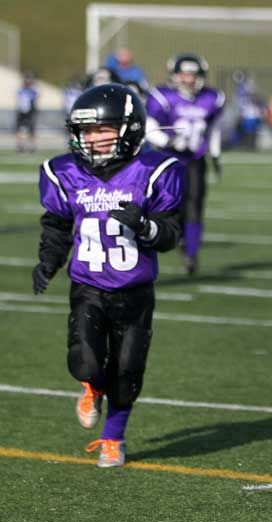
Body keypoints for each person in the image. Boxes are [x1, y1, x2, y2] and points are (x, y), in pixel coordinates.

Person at [32, 83, 184, 467]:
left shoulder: (153, 170)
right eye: (87, 131)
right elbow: (57, 224)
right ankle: (91, 386)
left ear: (129, 129)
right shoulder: (64, 172)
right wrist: (49, 262)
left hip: (135, 289)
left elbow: (169, 234)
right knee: (84, 360)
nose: (94, 139)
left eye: (104, 129)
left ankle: (113, 439)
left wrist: (146, 226)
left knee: (128, 370)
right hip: (88, 286)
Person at [145, 53, 225, 275]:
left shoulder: (212, 98)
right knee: (169, 206)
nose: (188, 79)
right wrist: (170, 140)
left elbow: (214, 129)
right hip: (167, 161)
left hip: (195, 159)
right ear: (174, 75)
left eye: (192, 74)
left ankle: (191, 252)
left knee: (195, 205)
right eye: (184, 74)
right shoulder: (163, 96)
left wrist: (216, 155)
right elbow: (148, 127)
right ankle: (173, 239)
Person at [15, 72, 39, 154]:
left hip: (30, 112)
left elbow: (35, 97)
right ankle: (20, 146)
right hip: (22, 111)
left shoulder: (33, 90)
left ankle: (32, 146)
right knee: (19, 129)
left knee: (31, 130)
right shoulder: (21, 89)